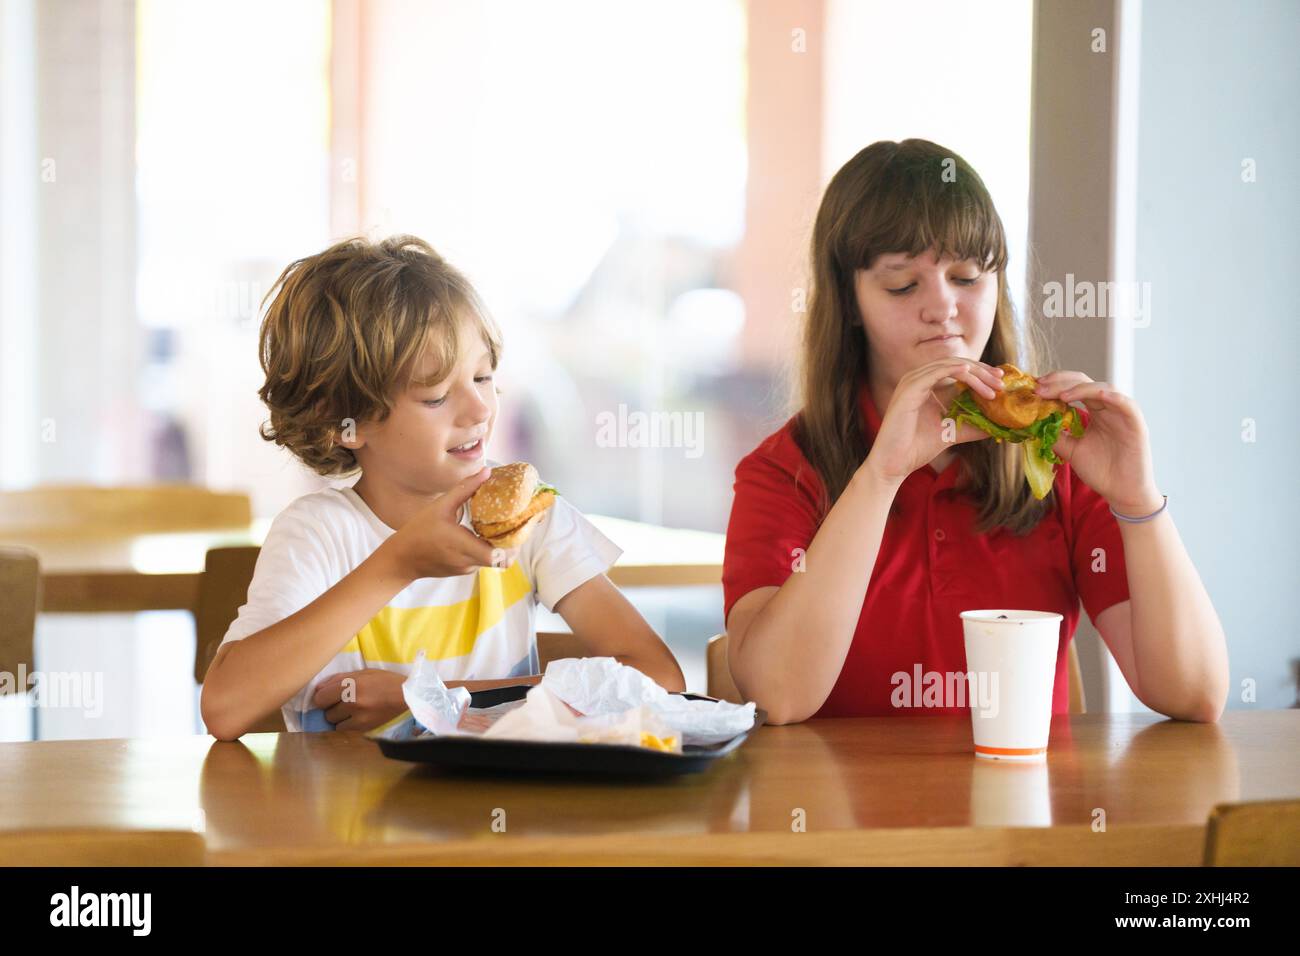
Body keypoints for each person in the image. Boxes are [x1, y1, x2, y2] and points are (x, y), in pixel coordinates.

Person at [722, 139, 1228, 725]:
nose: (943, 307)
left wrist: (1138, 501)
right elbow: (779, 695)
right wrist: (880, 478)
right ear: (850, 301)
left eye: (966, 276)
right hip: (847, 816)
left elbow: (1193, 694)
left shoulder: (1055, 453)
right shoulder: (783, 470)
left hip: (1024, 812)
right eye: (902, 285)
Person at [200, 235, 684, 740]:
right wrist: (397, 564)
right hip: (341, 817)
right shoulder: (317, 534)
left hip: (493, 811)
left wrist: (433, 699)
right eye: (434, 397)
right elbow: (225, 709)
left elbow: (659, 679)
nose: (478, 410)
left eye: (483, 376)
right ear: (347, 422)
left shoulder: (528, 519)